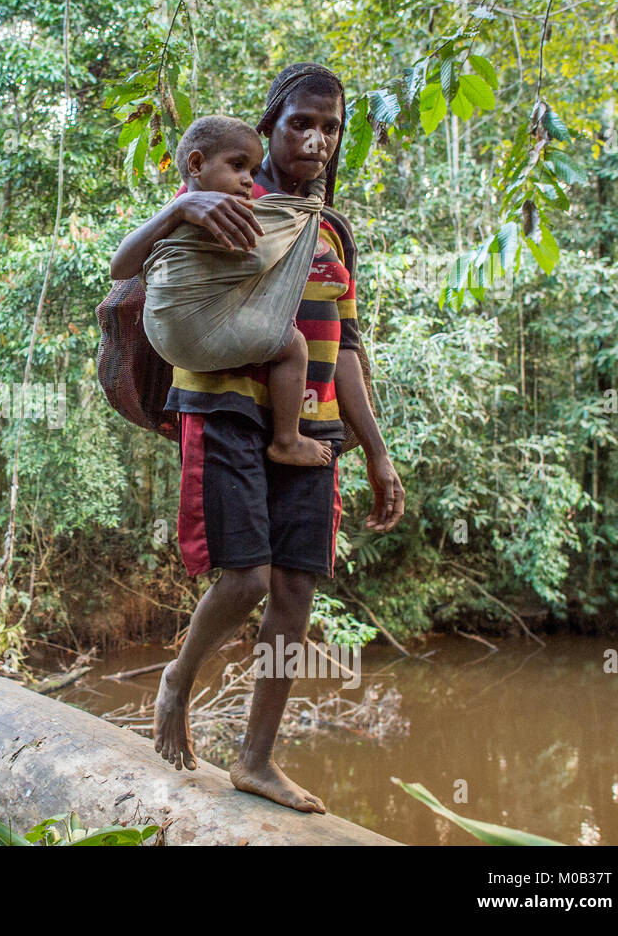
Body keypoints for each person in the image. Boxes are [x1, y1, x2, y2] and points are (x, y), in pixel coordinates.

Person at [110, 63, 405, 814]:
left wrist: (376, 451)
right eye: (299, 123)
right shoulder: (222, 198)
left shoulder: (332, 230)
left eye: (330, 127)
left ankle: (256, 759)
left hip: (313, 427)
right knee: (245, 579)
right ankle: (178, 679)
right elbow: (126, 277)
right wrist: (186, 209)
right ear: (271, 125)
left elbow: (348, 349)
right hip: (225, 411)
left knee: (296, 594)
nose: (315, 139)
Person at [143, 114, 332, 468]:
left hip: (165, 332)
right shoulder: (218, 213)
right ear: (196, 164)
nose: (248, 181)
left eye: (253, 170)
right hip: (191, 332)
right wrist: (181, 206)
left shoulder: (188, 217)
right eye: (238, 166)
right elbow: (118, 268)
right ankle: (287, 440)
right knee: (292, 346)